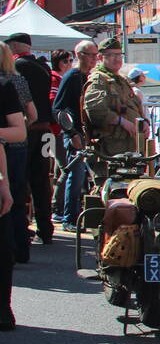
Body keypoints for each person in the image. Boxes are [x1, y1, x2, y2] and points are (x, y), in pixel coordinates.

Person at [8, 33, 54, 246]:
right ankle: (46, 229)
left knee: (21, 179)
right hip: (46, 132)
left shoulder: (17, 68)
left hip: (28, 130)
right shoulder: (44, 67)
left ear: (15, 46)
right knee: (43, 179)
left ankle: (22, 228)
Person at [52, 40, 97, 231]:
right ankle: (69, 219)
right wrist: (71, 133)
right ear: (80, 55)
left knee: (83, 177)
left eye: (96, 55)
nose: (95, 59)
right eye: (91, 55)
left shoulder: (88, 76)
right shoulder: (72, 76)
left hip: (87, 133)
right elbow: (58, 108)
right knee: (75, 176)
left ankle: (75, 216)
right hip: (75, 133)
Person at [0, 43, 35, 262]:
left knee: (11, 198)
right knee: (16, 198)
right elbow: (32, 114)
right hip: (16, 148)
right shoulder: (17, 80)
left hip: (8, 148)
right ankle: (19, 249)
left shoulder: (8, 84)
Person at [83, 37, 145, 157]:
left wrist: (144, 122)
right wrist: (122, 122)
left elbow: (135, 104)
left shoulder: (122, 80)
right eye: (111, 55)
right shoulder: (99, 79)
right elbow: (95, 110)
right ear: (100, 58)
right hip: (111, 146)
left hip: (130, 144)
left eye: (119, 54)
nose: (117, 59)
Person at [0, 75, 22, 329]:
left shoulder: (4, 86)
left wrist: (4, 184)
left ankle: (3, 308)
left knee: (4, 250)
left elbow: (18, 131)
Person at [48, 49, 72, 224]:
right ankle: (57, 208)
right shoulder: (55, 79)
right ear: (61, 62)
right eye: (68, 60)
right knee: (66, 168)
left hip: (56, 132)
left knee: (59, 170)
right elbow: (54, 105)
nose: (71, 63)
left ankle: (56, 206)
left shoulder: (58, 79)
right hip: (54, 132)